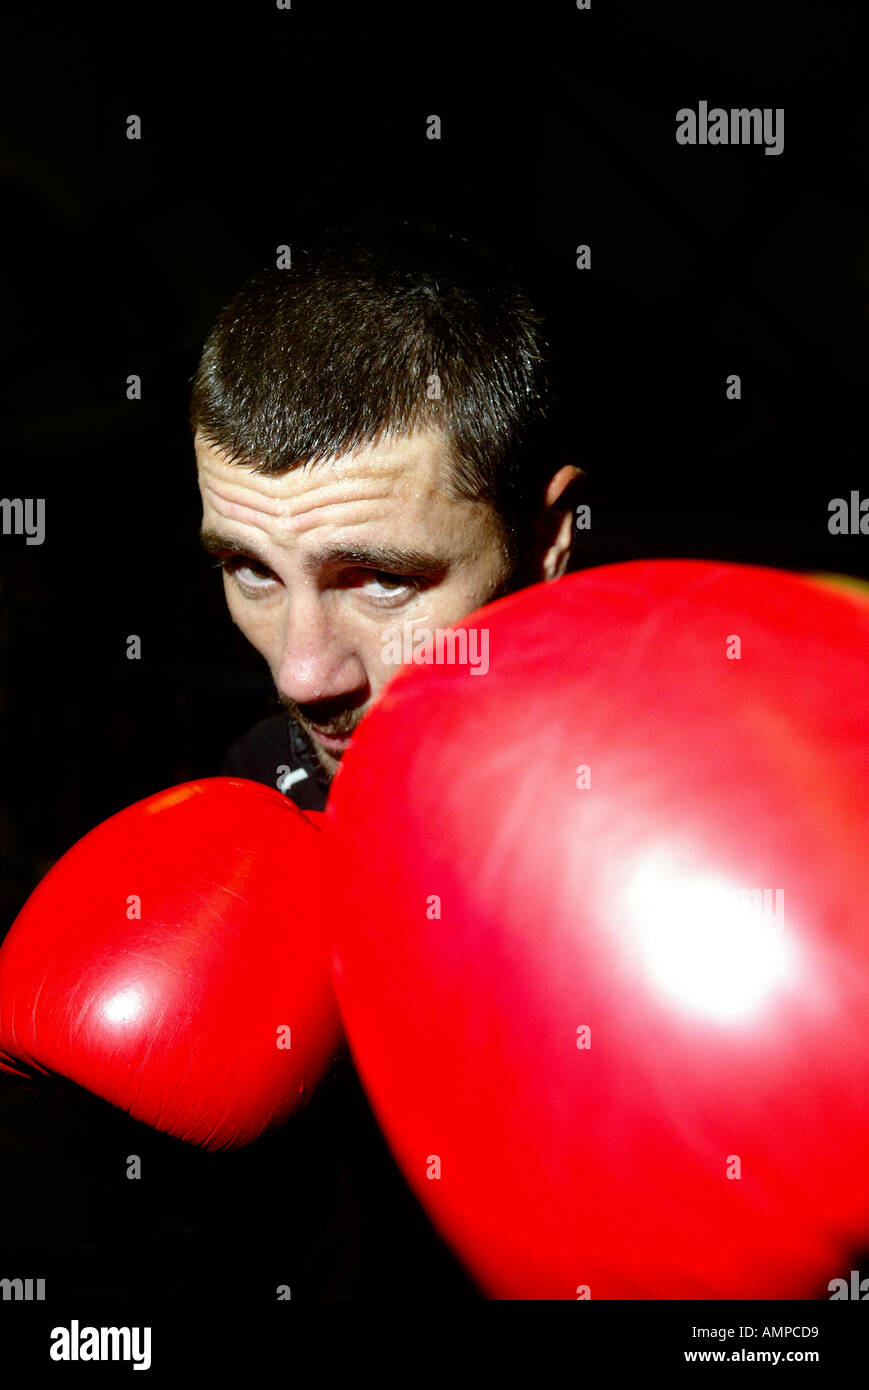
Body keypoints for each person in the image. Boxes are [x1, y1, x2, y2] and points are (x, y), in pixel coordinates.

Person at [190, 220, 581, 812]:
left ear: (543, 546)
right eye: (251, 568)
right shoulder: (260, 783)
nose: (303, 678)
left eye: (385, 580)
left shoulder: (657, 805)